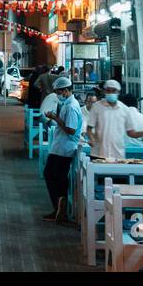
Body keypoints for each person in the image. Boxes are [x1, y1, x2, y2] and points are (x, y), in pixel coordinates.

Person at [42, 76, 84, 223]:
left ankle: (60, 208)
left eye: (59, 92)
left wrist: (55, 118)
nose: (58, 95)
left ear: (66, 90)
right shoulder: (67, 104)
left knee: (53, 176)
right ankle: (59, 208)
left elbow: (71, 130)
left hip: (65, 148)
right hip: (60, 146)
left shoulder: (71, 107)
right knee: (56, 177)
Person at [85, 80, 143, 161]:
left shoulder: (124, 110)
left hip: (117, 153)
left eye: (113, 90)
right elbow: (89, 128)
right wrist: (92, 139)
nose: (110, 93)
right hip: (98, 152)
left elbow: (131, 133)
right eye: (108, 90)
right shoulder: (97, 107)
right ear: (104, 91)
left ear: (118, 92)